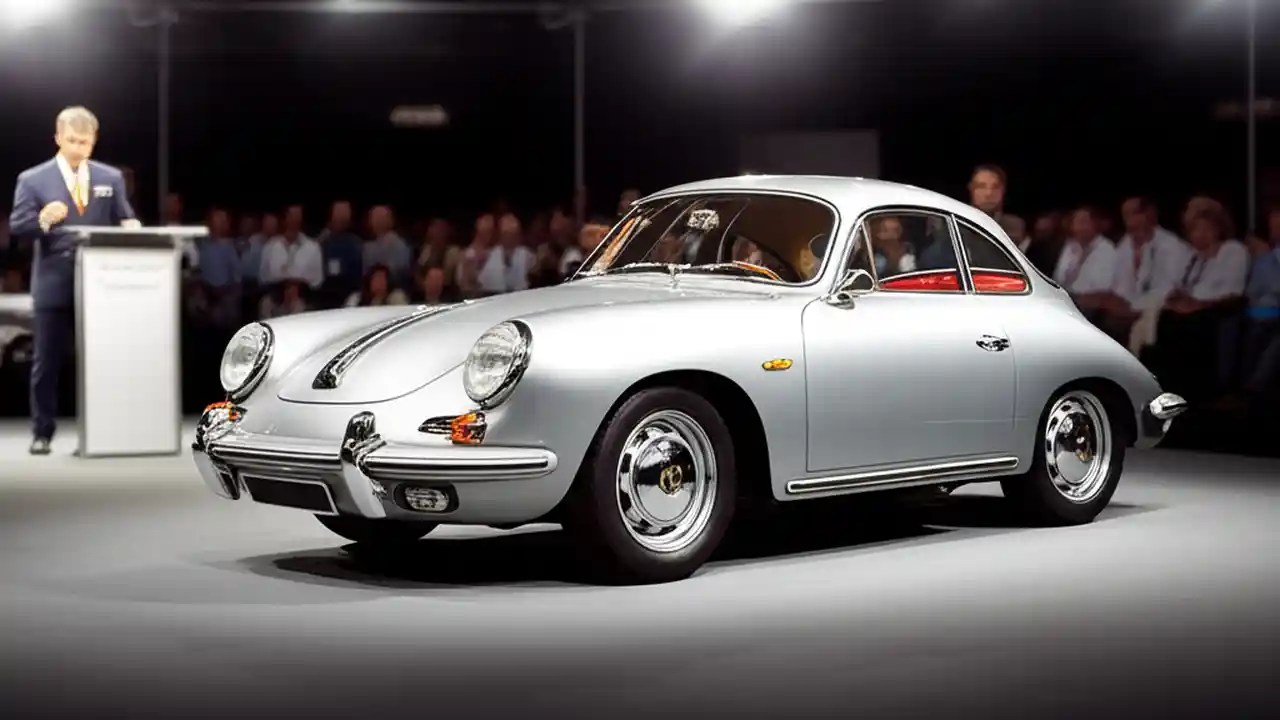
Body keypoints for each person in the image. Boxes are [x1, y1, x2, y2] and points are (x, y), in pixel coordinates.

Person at [8, 106, 138, 455]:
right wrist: (43, 219)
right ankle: (42, 432)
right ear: (58, 138)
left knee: (104, 359)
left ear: (94, 140)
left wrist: (133, 229)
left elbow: (125, 219)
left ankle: (106, 428)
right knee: (47, 361)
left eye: (85, 141)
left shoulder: (110, 178)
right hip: (53, 282)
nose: (79, 148)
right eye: (72, 141)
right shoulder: (32, 179)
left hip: (101, 285)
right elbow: (18, 226)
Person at [1092, 197, 1191, 343]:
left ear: (1151, 214)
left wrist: (1133, 308)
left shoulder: (1172, 246)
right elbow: (1116, 282)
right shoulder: (1124, 245)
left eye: (1135, 213)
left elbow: (1170, 288)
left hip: (1158, 311)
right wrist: (1115, 301)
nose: (1130, 220)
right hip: (1125, 309)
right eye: (1126, 215)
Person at [1052, 207, 1117, 317]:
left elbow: (1104, 286)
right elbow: (1058, 277)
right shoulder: (1070, 246)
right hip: (1066, 299)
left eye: (1085, 222)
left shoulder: (1107, 248)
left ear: (1095, 224)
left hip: (1092, 306)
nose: (1081, 227)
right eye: (1077, 222)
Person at [318, 200, 364, 308]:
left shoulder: (355, 243)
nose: (341, 217)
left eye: (344, 214)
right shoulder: (322, 240)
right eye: (338, 213)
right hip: (326, 290)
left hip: (349, 290)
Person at [967, 164, 1026, 247]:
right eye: (981, 186)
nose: (989, 193)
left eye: (995, 187)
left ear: (1003, 190)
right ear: (971, 189)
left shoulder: (1013, 227)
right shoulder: (957, 221)